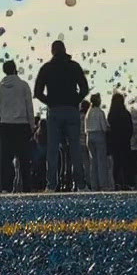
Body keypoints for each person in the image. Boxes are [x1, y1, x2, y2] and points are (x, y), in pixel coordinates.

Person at [34, 41, 90, 192]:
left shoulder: (46, 68)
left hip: (54, 111)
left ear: (52, 51)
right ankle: (81, 184)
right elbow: (85, 88)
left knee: (52, 150)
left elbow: (38, 92)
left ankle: (51, 185)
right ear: (65, 50)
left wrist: (50, 102)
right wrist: (75, 100)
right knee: (75, 148)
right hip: (71, 110)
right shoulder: (74, 66)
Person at [0, 59, 35, 193]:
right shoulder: (23, 86)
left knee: (6, 159)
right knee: (24, 159)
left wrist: (0, 124)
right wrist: (32, 125)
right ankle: (27, 186)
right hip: (22, 124)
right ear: (15, 69)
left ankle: (6, 186)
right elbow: (29, 106)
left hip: (6, 125)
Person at [107, 92, 135, 189]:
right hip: (125, 141)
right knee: (126, 163)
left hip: (115, 142)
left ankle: (116, 183)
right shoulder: (126, 113)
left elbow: (109, 129)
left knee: (116, 163)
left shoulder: (111, 114)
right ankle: (127, 182)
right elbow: (130, 128)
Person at [83, 93, 110, 191]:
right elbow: (104, 127)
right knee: (101, 161)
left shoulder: (88, 113)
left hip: (89, 136)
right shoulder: (100, 112)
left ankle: (94, 184)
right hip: (99, 135)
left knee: (92, 162)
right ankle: (103, 184)